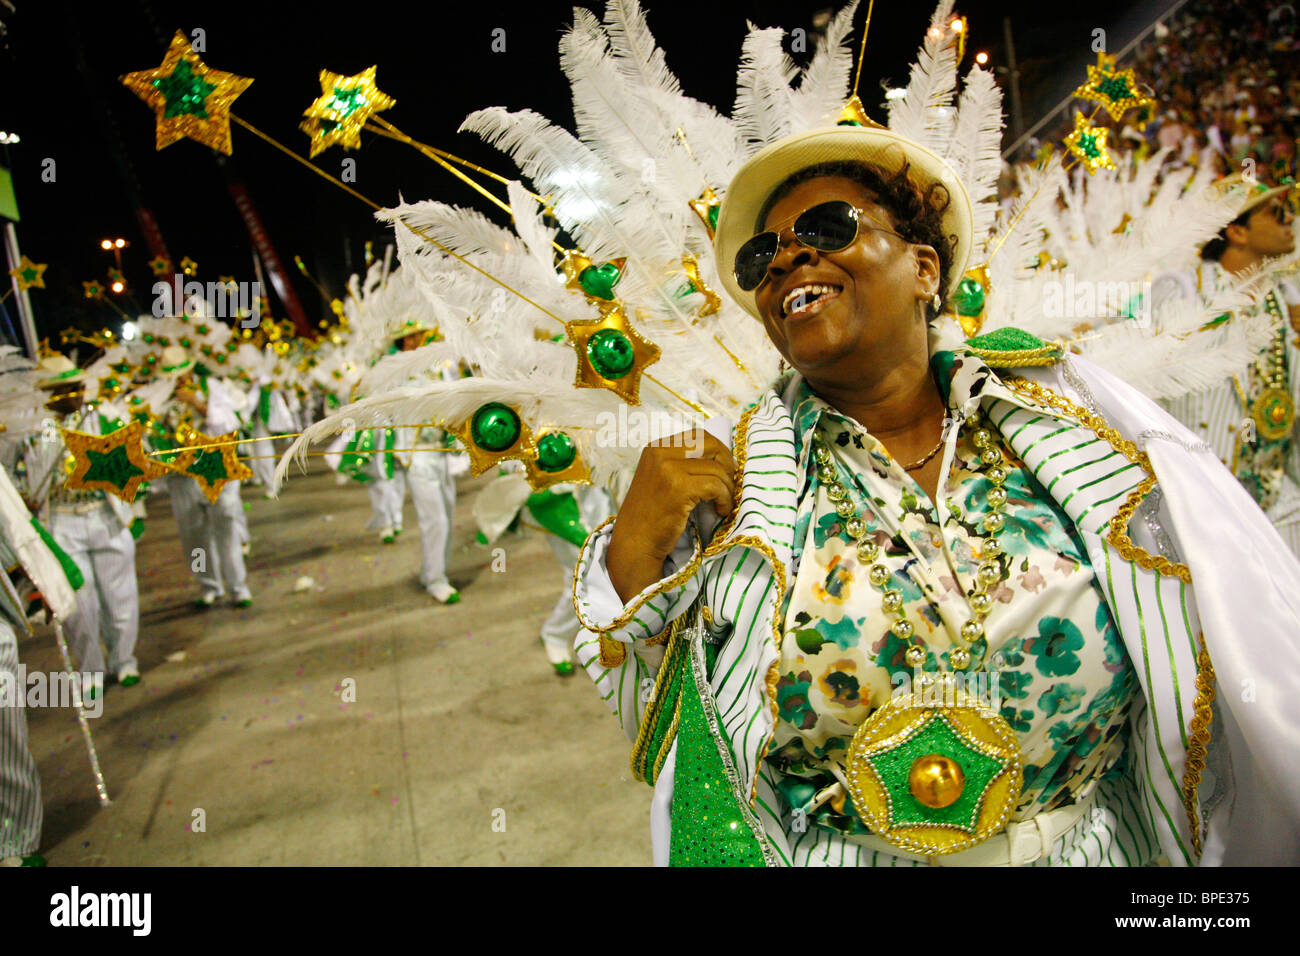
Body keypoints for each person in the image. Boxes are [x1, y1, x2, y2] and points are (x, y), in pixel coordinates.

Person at [573, 123, 1300, 866]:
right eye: (763, 257)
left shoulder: (1075, 429)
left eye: (828, 227)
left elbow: (1226, 648)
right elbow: (671, 745)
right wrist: (630, 561)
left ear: (925, 268)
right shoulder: (732, 489)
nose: (787, 257)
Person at [1157, 178, 1300, 556]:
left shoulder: (1284, 299)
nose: (1290, 220)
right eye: (1276, 212)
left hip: (1278, 496)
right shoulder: (1181, 291)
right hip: (1203, 497)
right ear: (1237, 231)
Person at [161, 347, 254, 608]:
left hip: (216, 468)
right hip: (182, 477)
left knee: (226, 526)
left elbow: (231, 424)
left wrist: (196, 404)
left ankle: (238, 586)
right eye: (172, 376)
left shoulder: (212, 386)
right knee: (194, 537)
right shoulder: (158, 398)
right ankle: (208, 584)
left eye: (181, 374)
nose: (178, 380)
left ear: (190, 369)